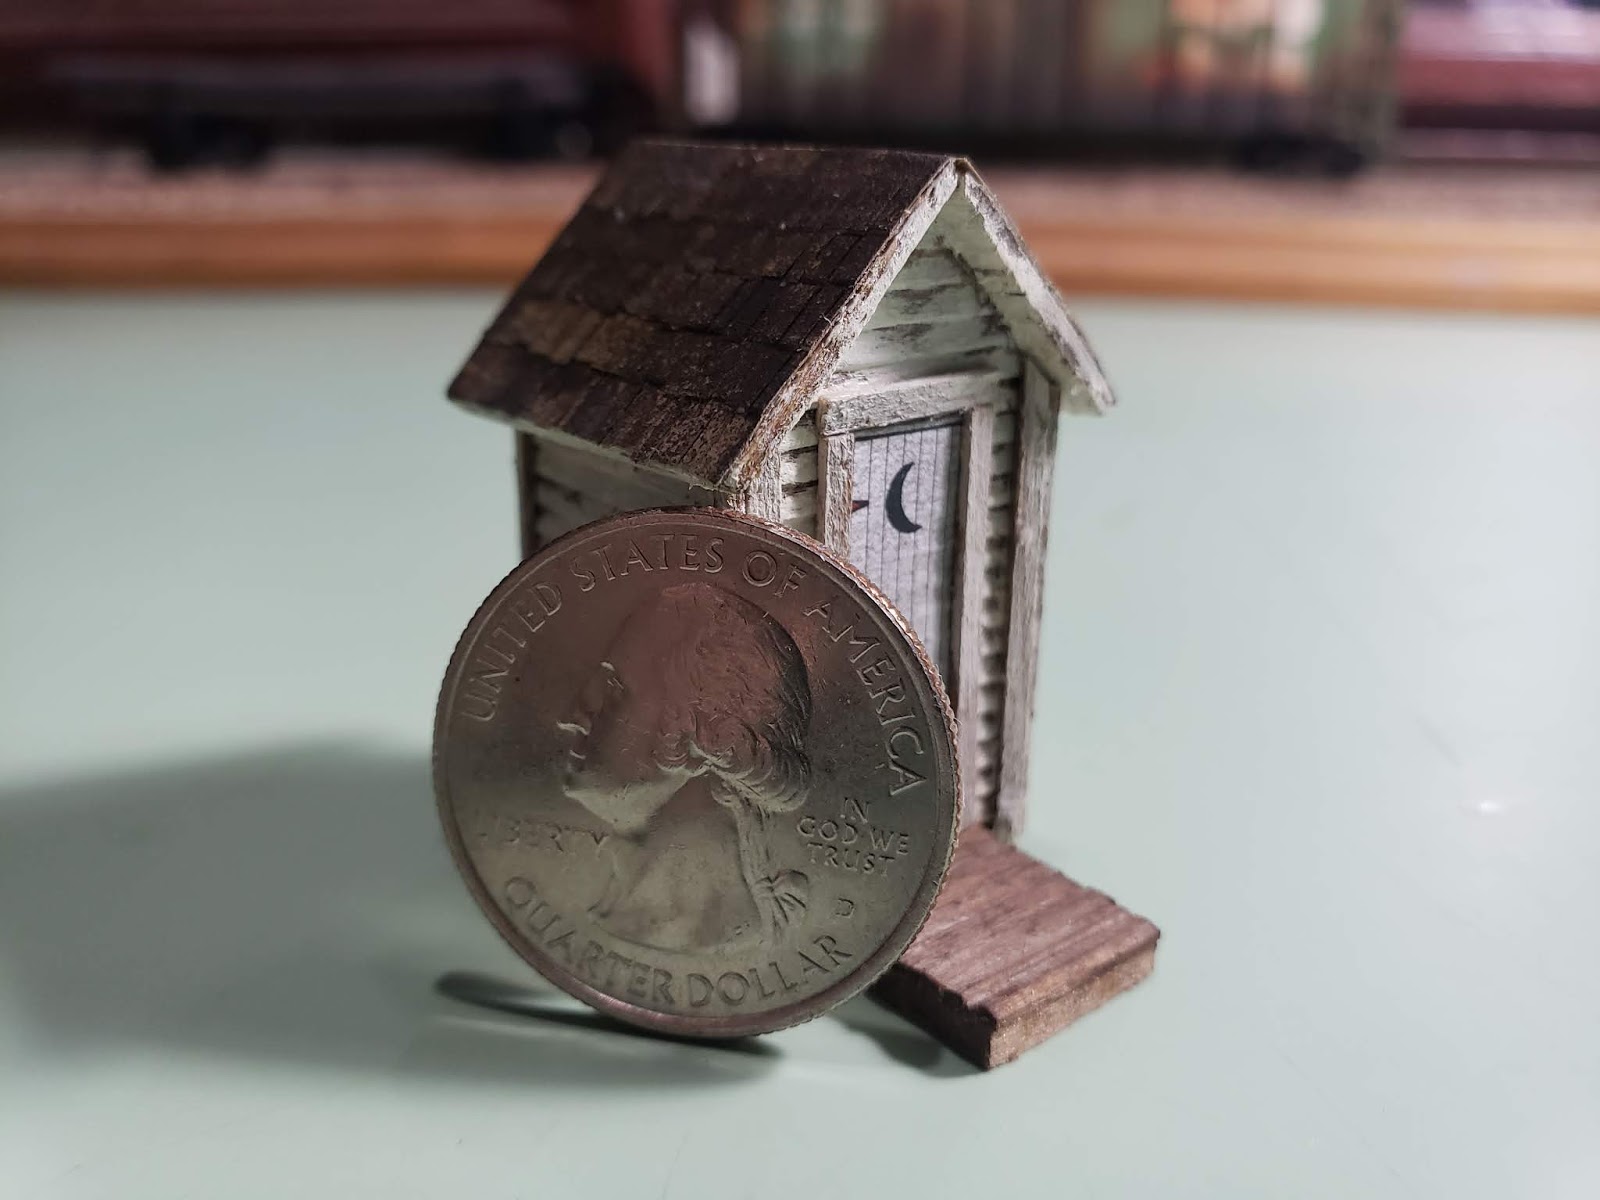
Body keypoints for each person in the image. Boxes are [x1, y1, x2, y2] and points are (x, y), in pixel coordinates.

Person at [557, 581, 813, 953]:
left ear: (696, 729)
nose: (571, 718)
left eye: (614, 687)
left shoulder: (701, 934)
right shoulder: (612, 903)